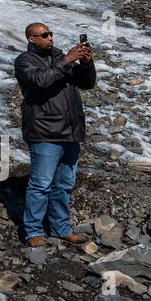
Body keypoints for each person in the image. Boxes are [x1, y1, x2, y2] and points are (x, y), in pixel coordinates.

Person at [14, 23, 97, 247]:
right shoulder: (25, 61)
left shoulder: (60, 57)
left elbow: (87, 83)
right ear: (31, 38)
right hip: (44, 132)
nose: (50, 38)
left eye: (51, 34)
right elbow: (41, 81)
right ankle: (33, 232)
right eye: (44, 35)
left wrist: (87, 63)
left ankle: (61, 228)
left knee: (64, 184)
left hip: (70, 132)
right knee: (41, 184)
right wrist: (68, 60)